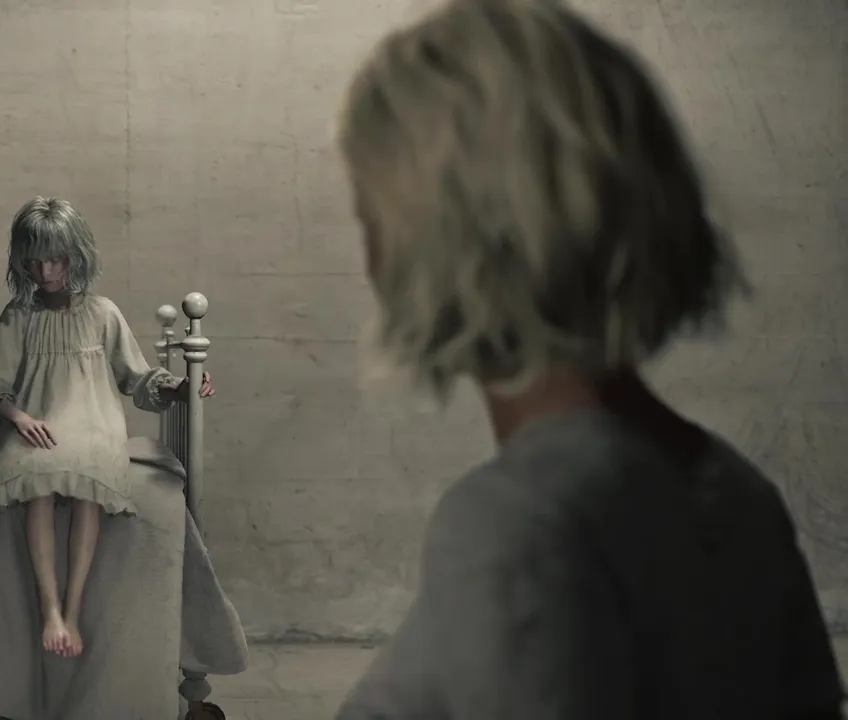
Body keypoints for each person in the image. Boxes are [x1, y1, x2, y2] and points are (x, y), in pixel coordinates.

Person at [333, 0, 844, 718]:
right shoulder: (739, 494)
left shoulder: (520, 525)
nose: (368, 254)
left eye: (370, 211)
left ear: (443, 232)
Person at [0, 196, 214, 659]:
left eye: (55, 259)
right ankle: (50, 610)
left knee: (89, 489)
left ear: (76, 255)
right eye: (34, 260)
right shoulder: (18, 315)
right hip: (35, 425)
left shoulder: (103, 313)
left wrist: (181, 387)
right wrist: (19, 417)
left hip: (93, 424)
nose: (45, 272)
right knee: (37, 486)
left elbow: (135, 377)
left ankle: (73, 610)